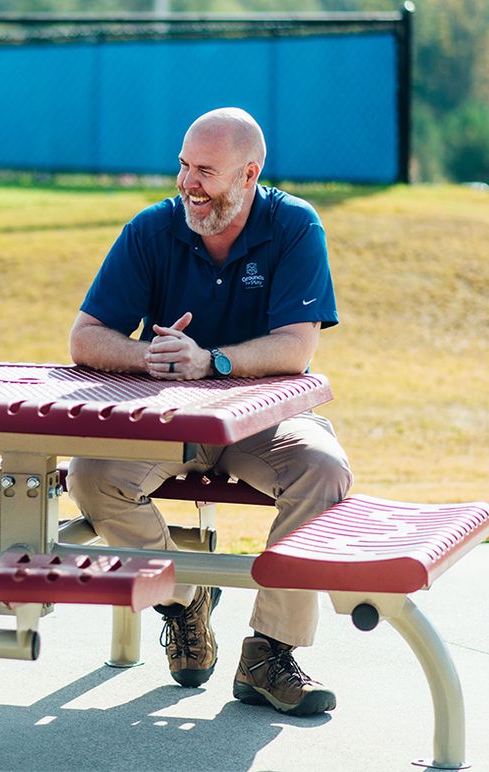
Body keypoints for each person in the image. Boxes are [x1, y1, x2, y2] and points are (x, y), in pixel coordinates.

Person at [66, 108, 353, 717]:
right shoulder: (150, 230)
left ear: (249, 174)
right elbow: (86, 338)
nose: (188, 183)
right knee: (90, 475)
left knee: (323, 469)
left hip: (261, 418)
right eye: (183, 166)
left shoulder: (295, 225)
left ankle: (269, 653)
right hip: (166, 416)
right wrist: (152, 357)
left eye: (206, 172)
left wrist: (212, 362)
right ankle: (186, 596)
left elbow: (296, 348)